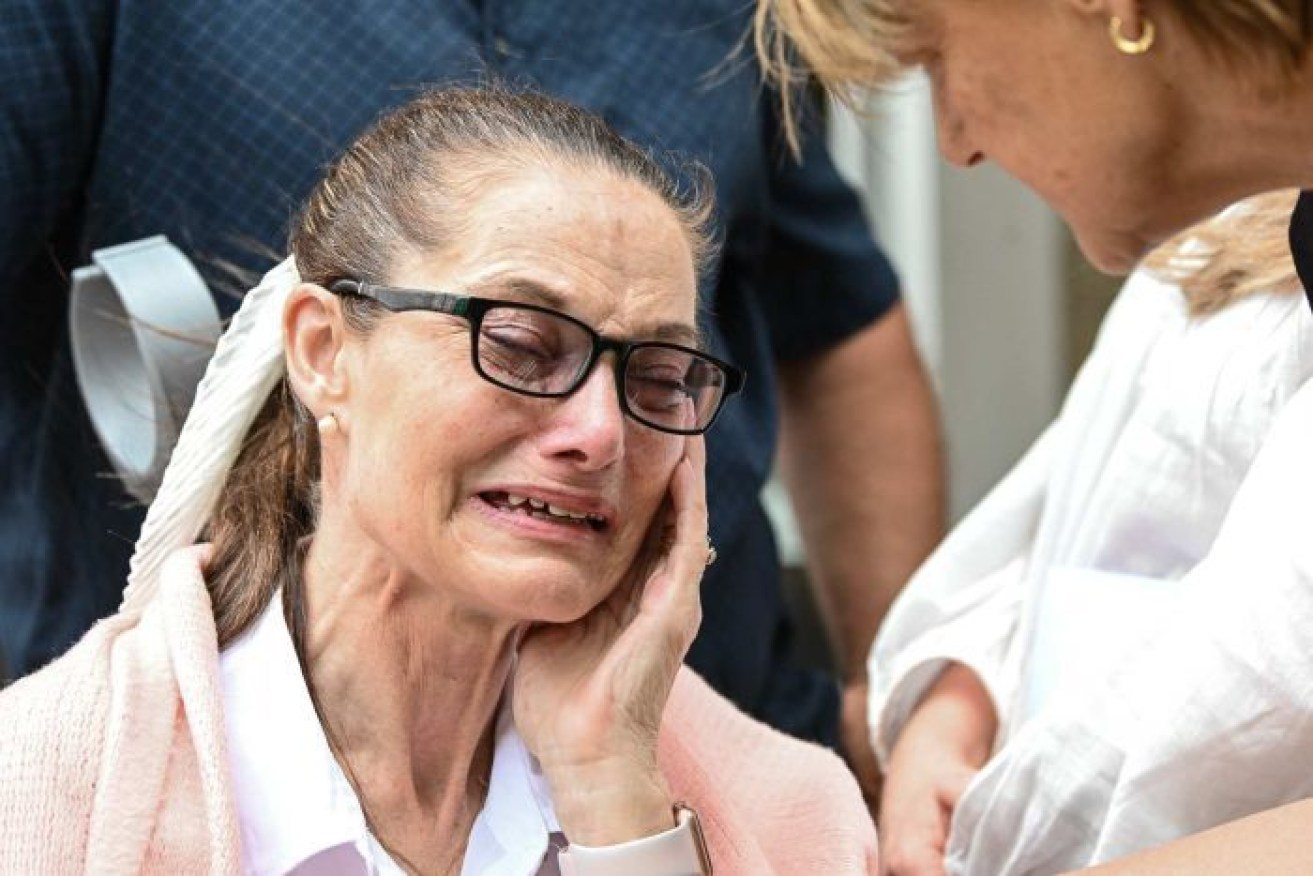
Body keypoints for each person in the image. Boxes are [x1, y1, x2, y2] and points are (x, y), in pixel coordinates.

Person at [0, 3, 944, 782]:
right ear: (319, 351)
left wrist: (894, 705)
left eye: (655, 373)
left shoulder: (733, 18)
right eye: (522, 344)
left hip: (687, 737)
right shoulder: (51, 790)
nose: (595, 431)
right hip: (208, 752)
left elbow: (840, 330)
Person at [752, 0, 1313, 872]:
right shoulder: (1232, 246)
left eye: (939, 59)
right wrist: (964, 687)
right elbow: (1083, 529)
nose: (954, 141)